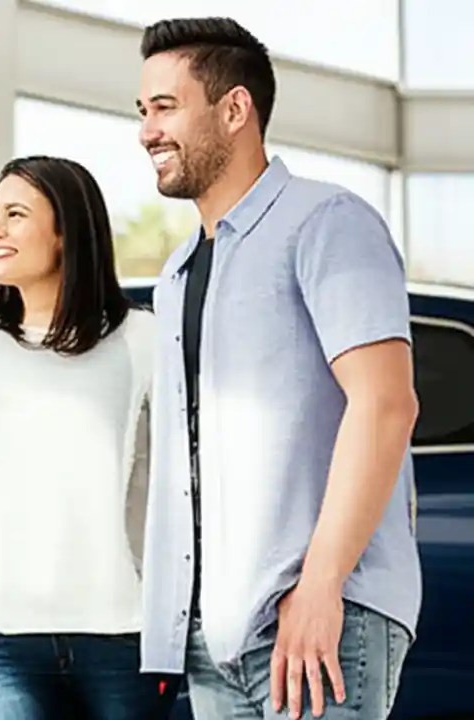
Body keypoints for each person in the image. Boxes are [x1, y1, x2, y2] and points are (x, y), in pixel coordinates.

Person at [135, 17, 422, 720]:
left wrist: (321, 587)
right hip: (218, 638)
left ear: (235, 109)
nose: (146, 132)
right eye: (142, 113)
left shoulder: (325, 221)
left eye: (165, 107)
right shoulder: (176, 275)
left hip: (320, 618)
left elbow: (386, 404)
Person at [0, 156, 177, 720]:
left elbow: (180, 492)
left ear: (66, 232)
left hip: (127, 640)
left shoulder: (143, 340)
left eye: (15, 214)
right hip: (12, 644)